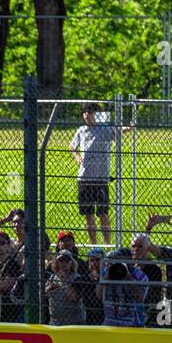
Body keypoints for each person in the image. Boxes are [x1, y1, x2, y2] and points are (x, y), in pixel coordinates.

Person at [69, 103, 131, 245]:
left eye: (90, 112)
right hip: (84, 178)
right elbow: (72, 146)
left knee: (103, 213)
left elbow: (119, 131)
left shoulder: (104, 129)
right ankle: (93, 244)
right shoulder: (82, 130)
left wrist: (129, 127)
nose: (86, 115)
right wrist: (77, 156)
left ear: (96, 114)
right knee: (88, 214)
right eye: (84, 112)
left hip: (101, 178)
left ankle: (107, 244)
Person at [45, 250, 85, 325]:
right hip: (55, 321)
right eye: (61, 260)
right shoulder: (53, 277)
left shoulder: (77, 278)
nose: (64, 263)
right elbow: (44, 294)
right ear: (57, 262)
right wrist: (50, 288)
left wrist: (64, 281)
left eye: (67, 260)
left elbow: (73, 298)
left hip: (74, 321)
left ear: (71, 262)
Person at [102, 260, 147, 327]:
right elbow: (98, 294)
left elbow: (140, 298)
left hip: (131, 324)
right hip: (110, 322)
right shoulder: (107, 271)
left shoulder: (139, 274)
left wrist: (128, 276)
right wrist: (108, 274)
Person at [79, 247, 106, 325]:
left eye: (97, 260)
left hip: (103, 314)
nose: (94, 263)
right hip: (88, 315)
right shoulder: (85, 277)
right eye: (91, 260)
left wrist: (98, 279)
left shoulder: (107, 276)